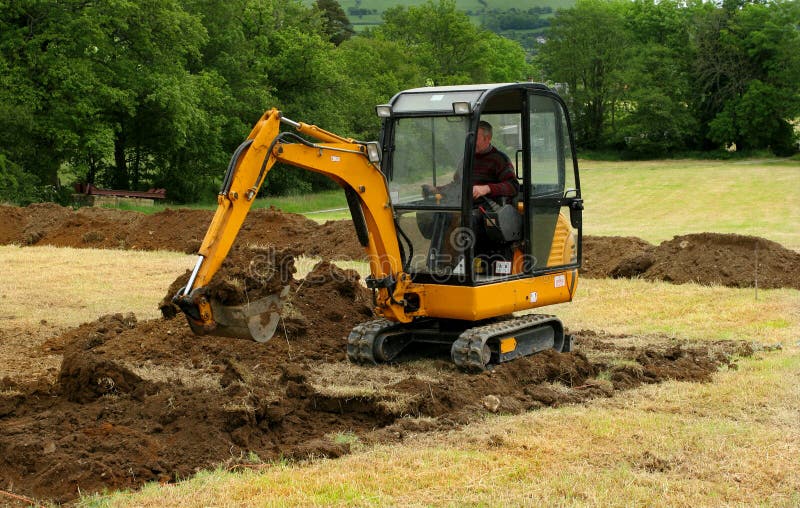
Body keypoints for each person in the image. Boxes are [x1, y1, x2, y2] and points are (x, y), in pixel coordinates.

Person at [423, 120, 519, 202]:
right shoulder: (466, 159)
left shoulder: (500, 160)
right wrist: (436, 190)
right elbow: (457, 185)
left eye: (475, 138)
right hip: (466, 208)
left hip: (489, 210)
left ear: (487, 139)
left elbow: (513, 186)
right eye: (470, 138)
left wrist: (487, 188)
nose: (471, 142)